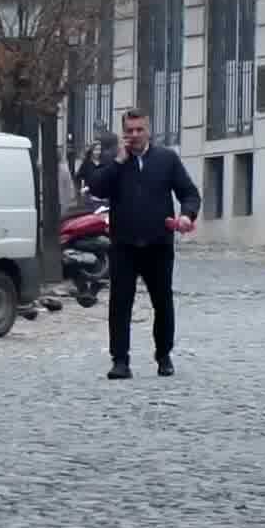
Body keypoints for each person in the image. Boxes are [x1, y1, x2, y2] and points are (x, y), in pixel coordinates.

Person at [79, 107, 197, 379]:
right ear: (124, 133)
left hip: (158, 243)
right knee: (120, 303)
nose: (134, 136)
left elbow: (189, 193)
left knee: (163, 301)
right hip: (124, 244)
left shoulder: (166, 159)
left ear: (148, 130)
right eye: (129, 131)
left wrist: (187, 215)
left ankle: (164, 355)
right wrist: (118, 162)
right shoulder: (115, 162)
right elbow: (96, 188)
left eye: (139, 130)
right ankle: (120, 360)